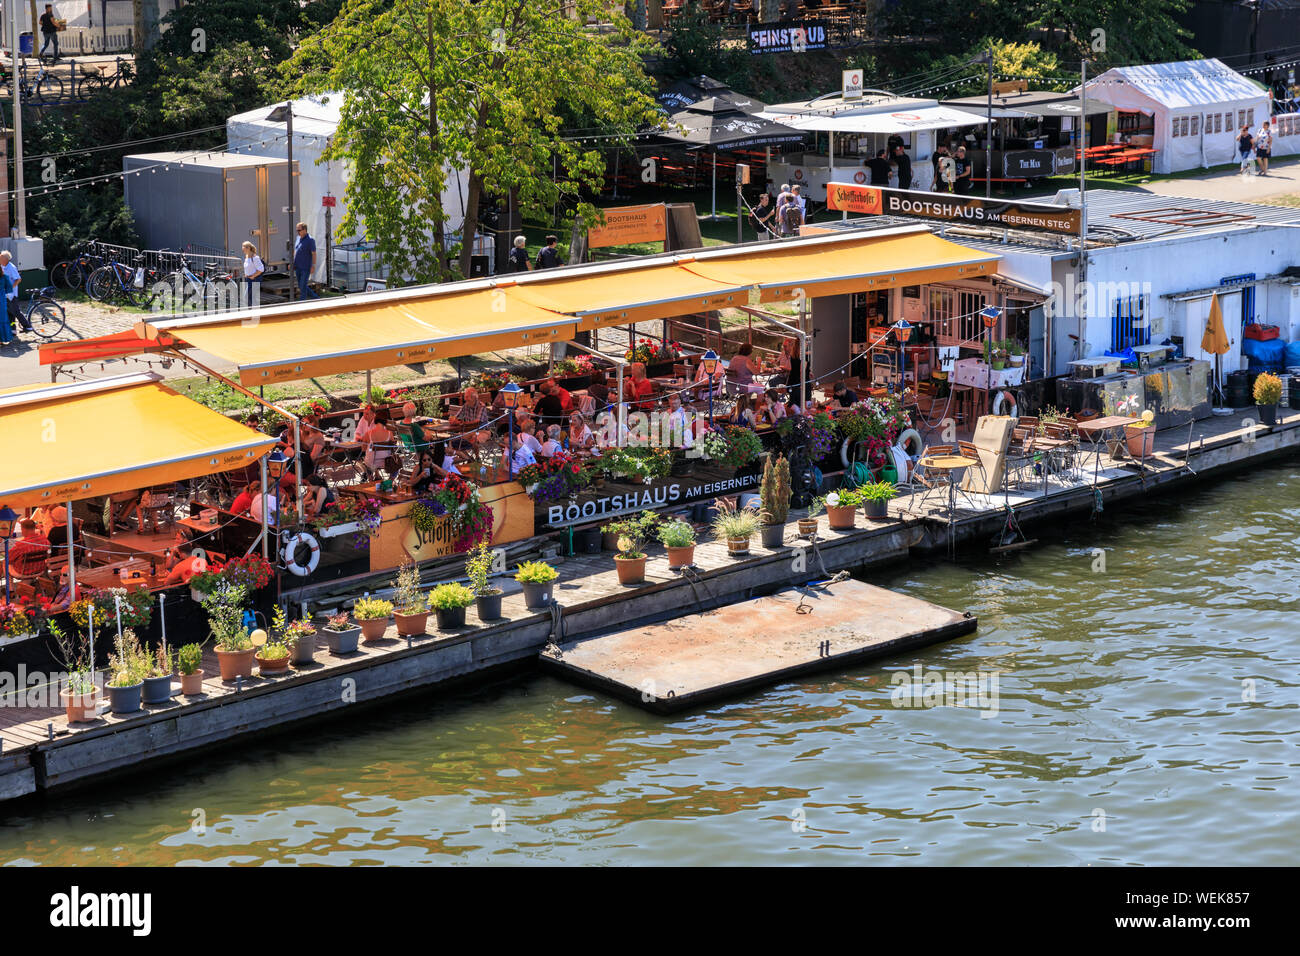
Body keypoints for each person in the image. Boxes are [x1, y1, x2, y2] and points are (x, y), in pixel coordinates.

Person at [0, 251, 29, 335]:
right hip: (6, 294)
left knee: (15, 311)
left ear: (5, 259)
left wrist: (10, 288)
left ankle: (27, 326)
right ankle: (13, 329)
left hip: (12, 295)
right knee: (9, 313)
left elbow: (18, 279)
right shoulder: (3, 266)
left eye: (0, 258)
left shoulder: (11, 267)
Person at [293, 222, 319, 299]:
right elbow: (295, 251)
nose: (298, 232)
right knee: (301, 286)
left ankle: (303, 302)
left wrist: (313, 266)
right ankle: (316, 298)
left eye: (299, 230)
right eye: (297, 230)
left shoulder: (310, 240)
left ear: (305, 230)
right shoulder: (298, 238)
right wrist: (292, 263)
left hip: (305, 267)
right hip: (298, 266)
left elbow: (314, 253)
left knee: (303, 286)